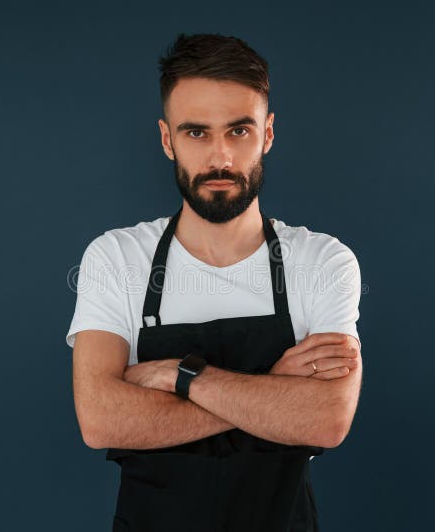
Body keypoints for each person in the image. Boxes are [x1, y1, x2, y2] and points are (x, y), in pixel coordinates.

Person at [67, 33, 364, 532]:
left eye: (239, 131)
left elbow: (327, 421)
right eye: (197, 133)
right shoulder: (117, 257)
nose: (221, 158)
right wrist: (275, 391)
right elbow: (100, 421)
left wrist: (179, 378)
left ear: (268, 134)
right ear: (168, 140)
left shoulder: (322, 260)